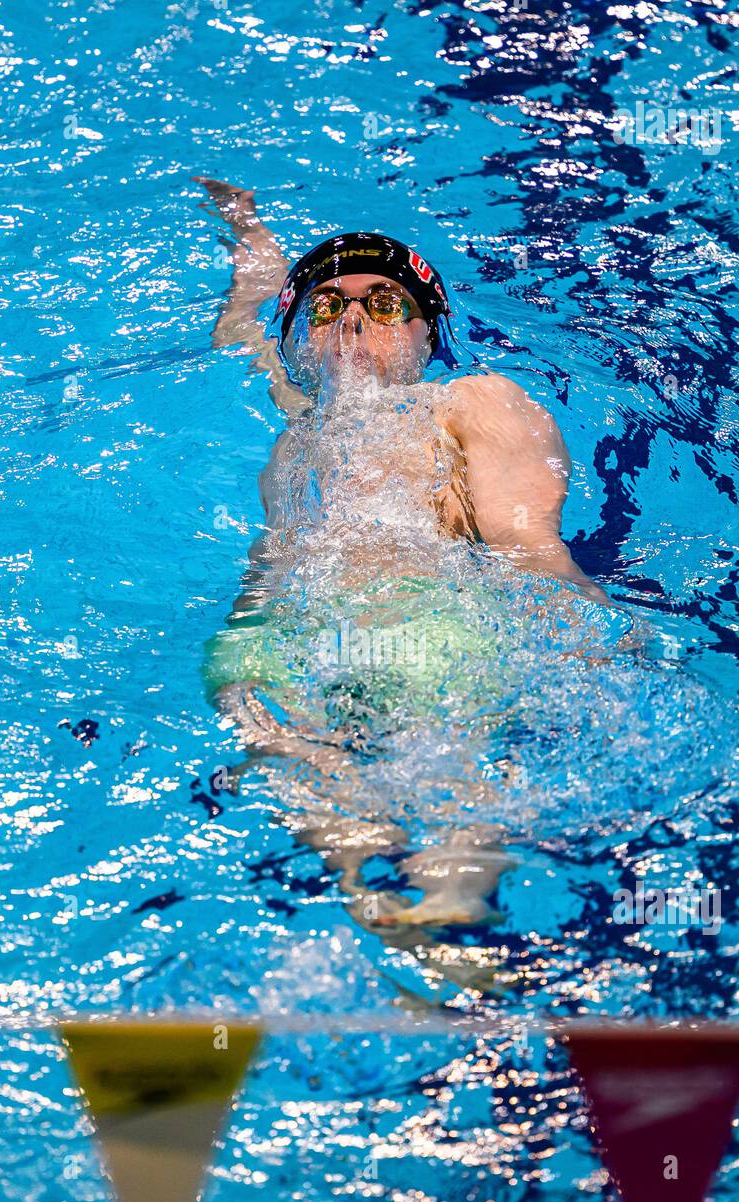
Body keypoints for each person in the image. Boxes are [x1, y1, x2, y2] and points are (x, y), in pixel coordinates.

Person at [196, 179, 615, 974]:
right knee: (303, 770)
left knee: (454, 782)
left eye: (383, 304)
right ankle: (375, 908)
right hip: (272, 636)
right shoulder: (306, 420)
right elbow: (244, 331)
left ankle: (452, 925)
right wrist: (247, 229)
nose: (349, 317)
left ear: (428, 336)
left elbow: (526, 544)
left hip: (422, 625)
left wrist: (591, 642)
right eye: (324, 307)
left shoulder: (471, 399)